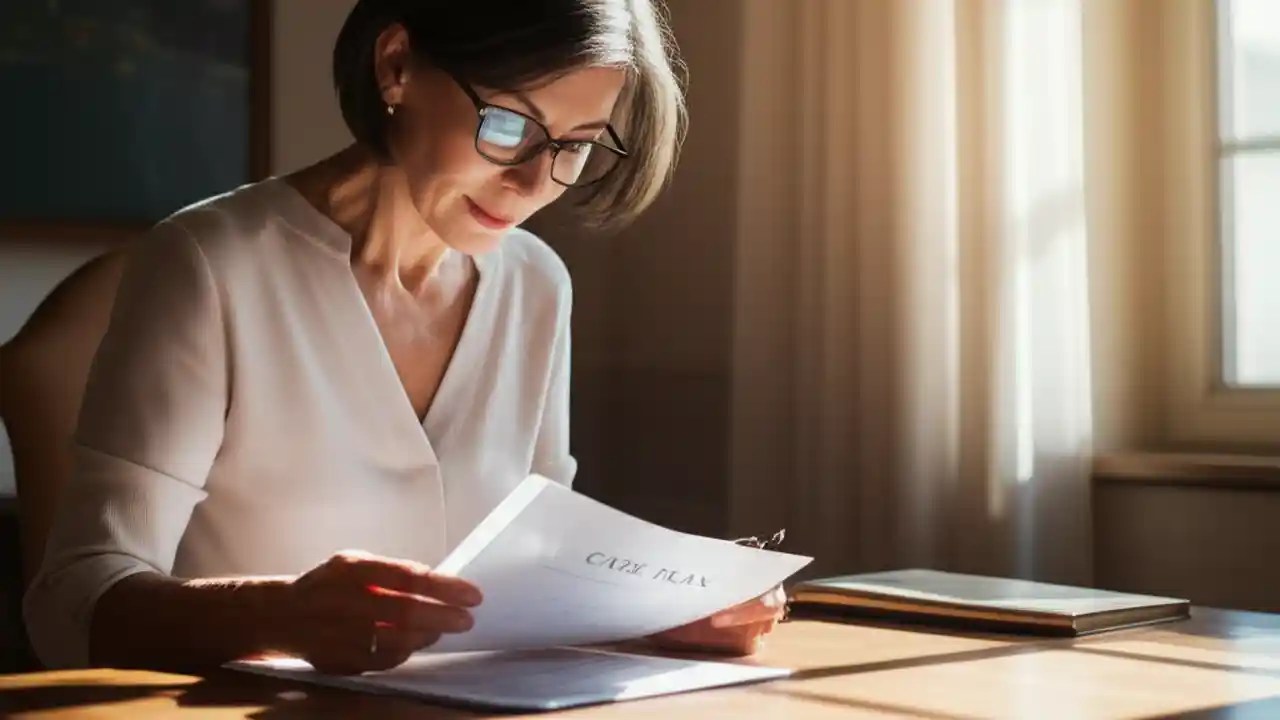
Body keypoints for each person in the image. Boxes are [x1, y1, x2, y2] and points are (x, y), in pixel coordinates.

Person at [24, 0, 786, 674]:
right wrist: (280, 613)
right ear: (396, 66)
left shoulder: (535, 285)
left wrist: (657, 614)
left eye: (575, 145)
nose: (531, 182)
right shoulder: (210, 263)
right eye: (509, 124)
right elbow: (70, 605)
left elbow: (543, 565)